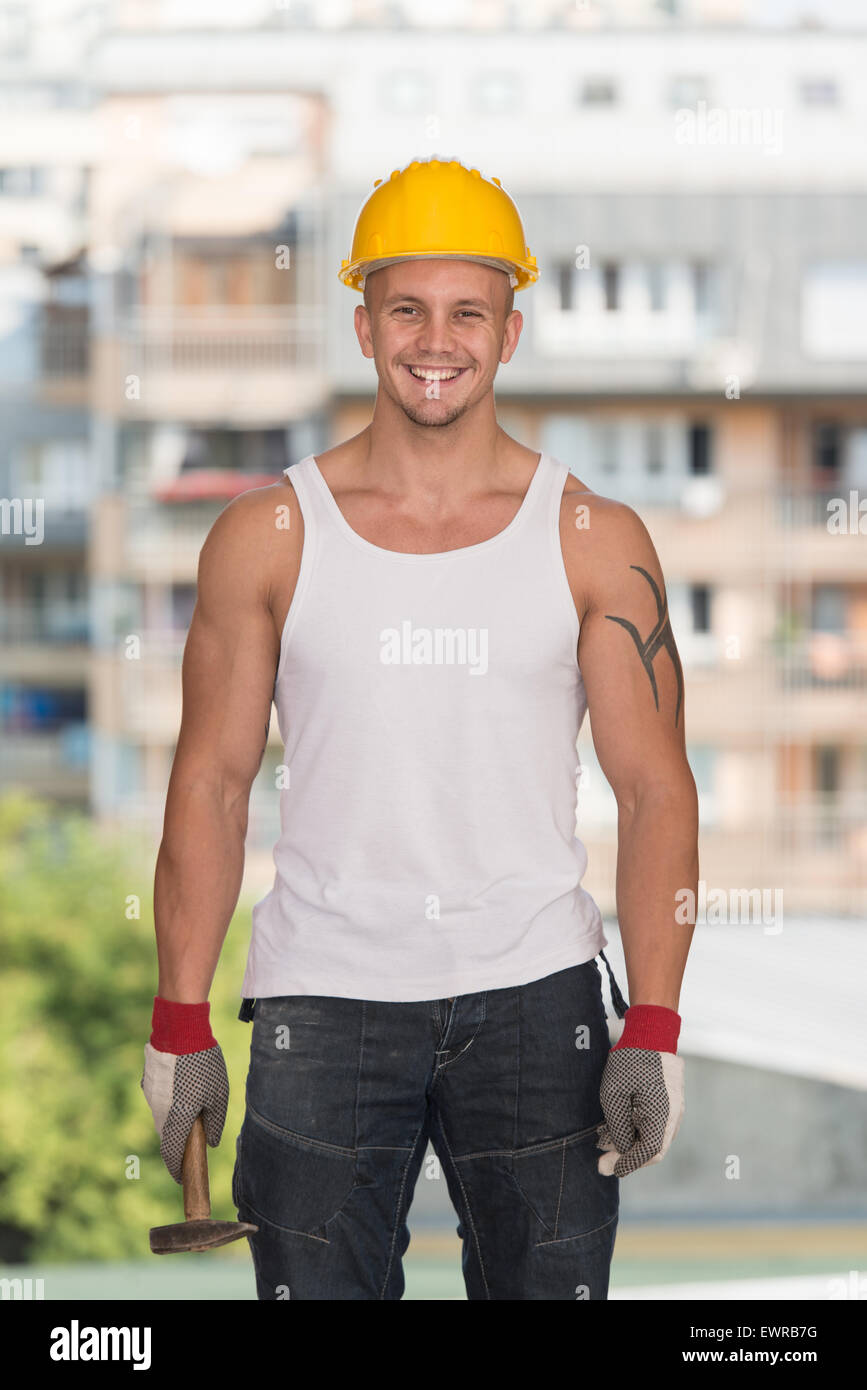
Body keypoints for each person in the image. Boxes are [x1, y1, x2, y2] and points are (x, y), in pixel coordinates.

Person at [142, 156, 698, 1301]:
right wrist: (179, 1018)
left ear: (510, 330)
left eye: (466, 312)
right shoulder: (268, 533)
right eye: (407, 309)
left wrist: (652, 1019)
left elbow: (655, 791)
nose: (435, 340)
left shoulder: (593, 536)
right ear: (362, 324)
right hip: (322, 1001)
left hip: (538, 1001)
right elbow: (209, 782)